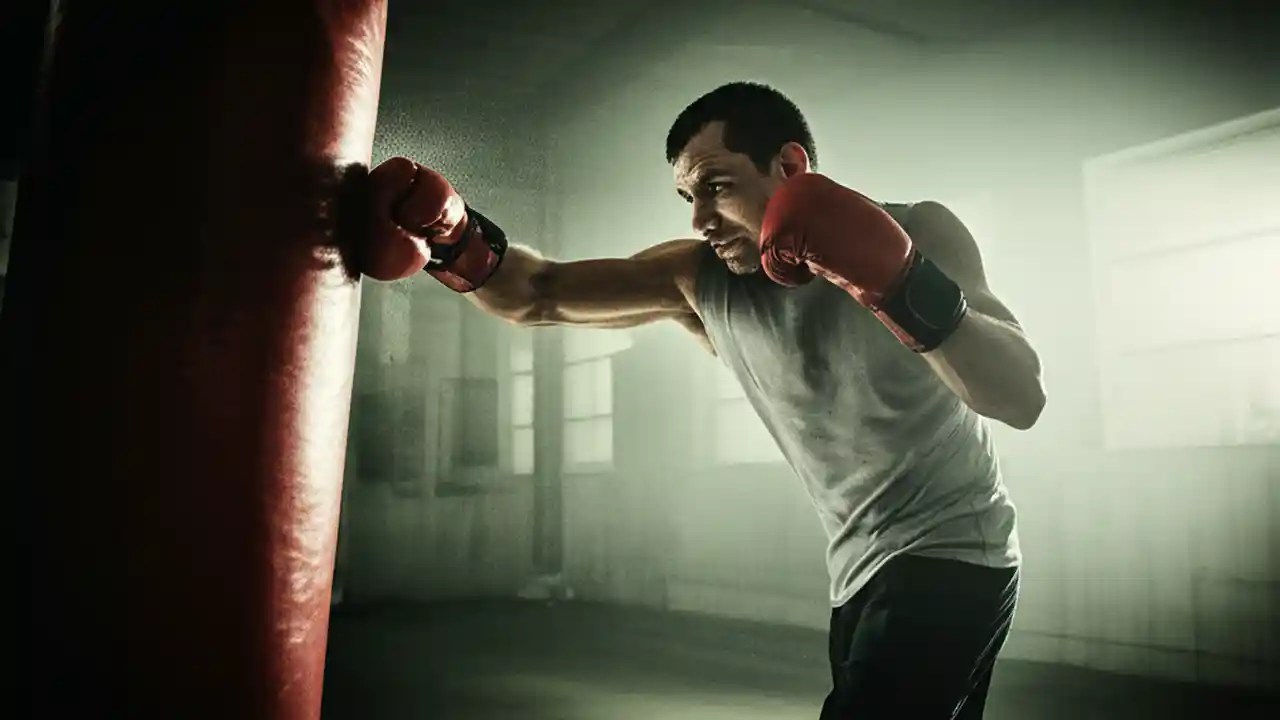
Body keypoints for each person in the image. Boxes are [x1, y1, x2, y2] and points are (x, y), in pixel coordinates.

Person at [366, 81, 1046, 719]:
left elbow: (1019, 395)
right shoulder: (701, 280)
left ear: (790, 164)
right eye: (687, 198)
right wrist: (451, 239)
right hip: (857, 572)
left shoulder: (918, 230)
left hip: (956, 552)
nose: (700, 219)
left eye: (717, 188)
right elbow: (537, 293)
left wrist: (894, 280)